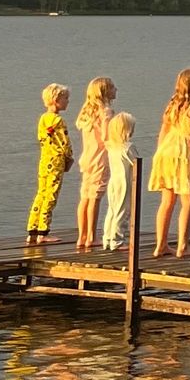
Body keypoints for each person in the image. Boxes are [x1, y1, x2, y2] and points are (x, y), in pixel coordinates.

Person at [149, 68, 190, 258]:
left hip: (166, 152)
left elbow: (163, 131)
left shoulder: (172, 104)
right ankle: (183, 246)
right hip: (183, 152)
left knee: (167, 201)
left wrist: (158, 154)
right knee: (187, 200)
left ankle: (160, 245)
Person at [73, 77, 117, 252]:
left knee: (85, 196)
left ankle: (81, 236)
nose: (116, 90)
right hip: (100, 158)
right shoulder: (106, 112)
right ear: (105, 92)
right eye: (113, 88)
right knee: (95, 198)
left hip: (87, 158)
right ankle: (91, 236)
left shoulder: (86, 112)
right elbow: (106, 136)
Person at [27, 84, 73, 243]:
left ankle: (32, 229)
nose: (68, 101)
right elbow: (64, 142)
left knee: (41, 193)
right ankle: (43, 232)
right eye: (65, 98)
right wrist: (69, 158)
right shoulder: (58, 120)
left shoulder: (43, 118)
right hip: (56, 161)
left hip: (44, 160)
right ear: (56, 100)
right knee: (51, 195)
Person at [103, 113, 138, 252]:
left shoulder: (111, 147)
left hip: (113, 182)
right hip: (125, 182)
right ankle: (117, 241)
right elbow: (136, 162)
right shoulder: (128, 147)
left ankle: (107, 239)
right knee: (123, 211)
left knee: (112, 210)